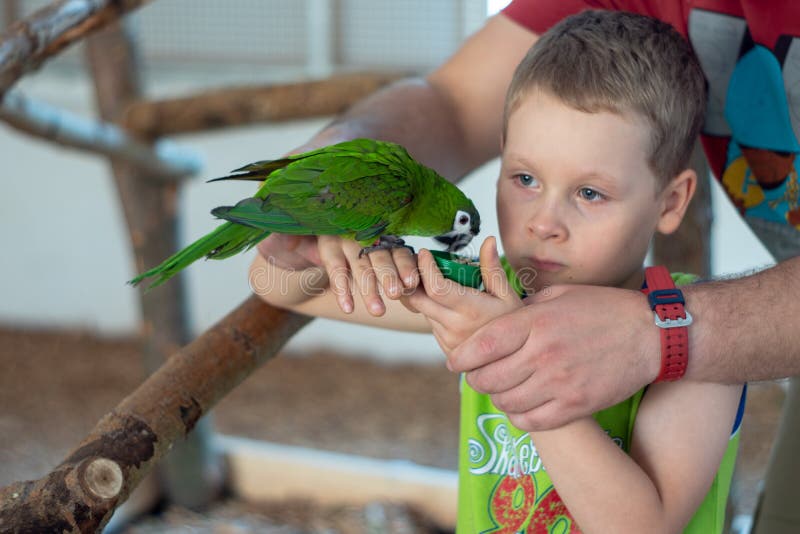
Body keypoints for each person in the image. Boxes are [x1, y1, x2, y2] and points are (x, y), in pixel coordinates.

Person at [250, 11, 745, 532]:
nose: (545, 223)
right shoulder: (486, 290)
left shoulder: (696, 339)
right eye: (526, 178)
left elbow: (640, 527)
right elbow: (276, 287)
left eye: (590, 193)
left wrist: (510, 359)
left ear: (670, 202)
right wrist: (318, 253)